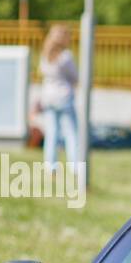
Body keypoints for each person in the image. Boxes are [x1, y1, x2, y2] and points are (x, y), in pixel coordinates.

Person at [39, 24, 79, 172]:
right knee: (71, 133)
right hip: (64, 97)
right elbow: (75, 77)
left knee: (51, 133)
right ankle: (75, 166)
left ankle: (50, 166)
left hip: (48, 97)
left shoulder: (45, 56)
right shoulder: (65, 56)